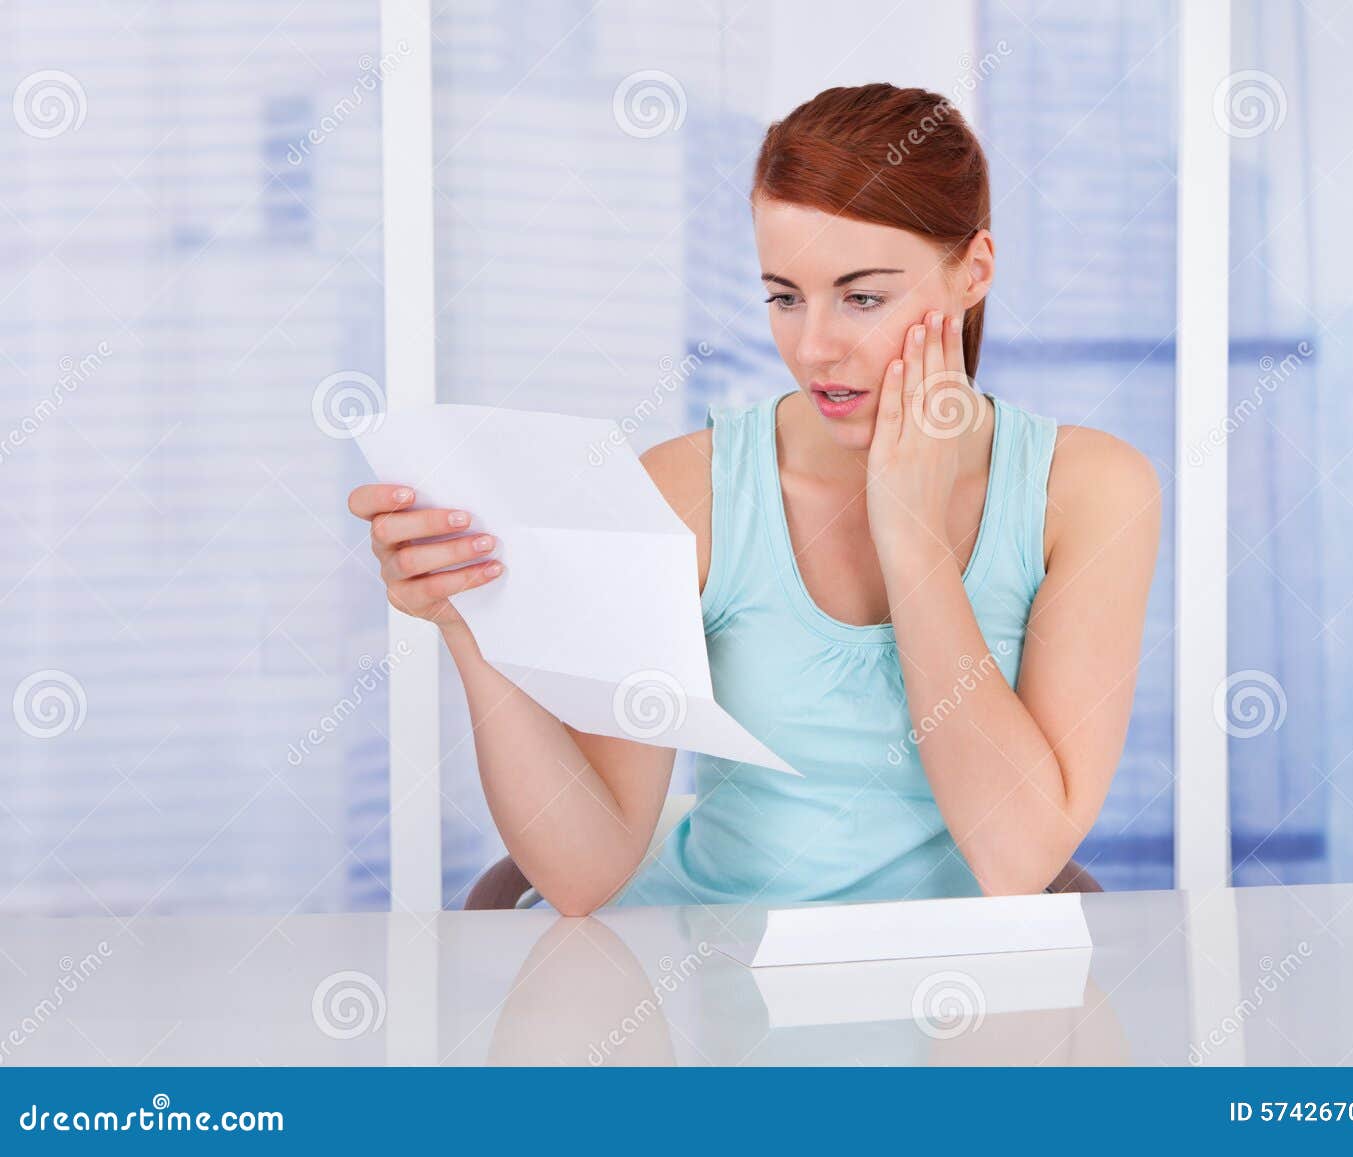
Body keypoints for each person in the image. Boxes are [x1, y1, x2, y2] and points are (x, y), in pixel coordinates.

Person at [347, 83, 1160, 915]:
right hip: (712, 984)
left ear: (973, 272)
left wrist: (908, 533)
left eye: (863, 296)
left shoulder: (1088, 491)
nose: (814, 348)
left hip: (960, 1008)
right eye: (784, 296)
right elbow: (584, 873)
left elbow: (1018, 856)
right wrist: (478, 628)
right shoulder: (690, 489)